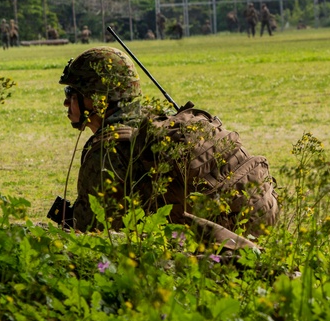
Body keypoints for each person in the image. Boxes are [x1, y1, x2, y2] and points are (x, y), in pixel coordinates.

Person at [52, 47, 278, 249]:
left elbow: (91, 233)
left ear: (96, 98)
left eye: (71, 93)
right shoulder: (155, 121)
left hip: (198, 248)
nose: (66, 102)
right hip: (246, 228)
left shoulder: (106, 151)